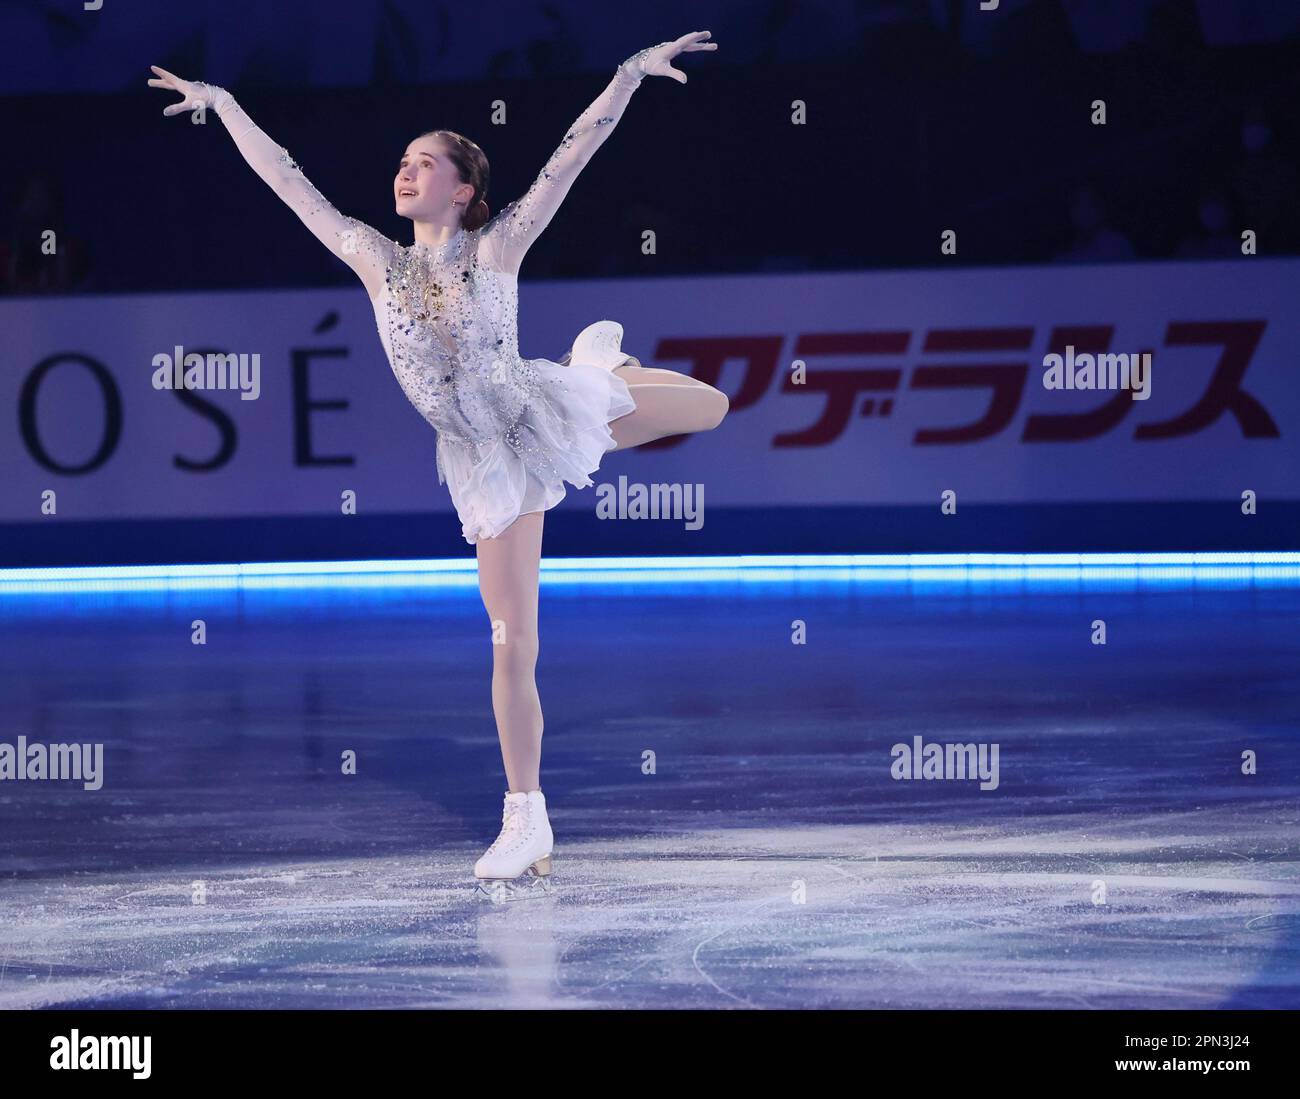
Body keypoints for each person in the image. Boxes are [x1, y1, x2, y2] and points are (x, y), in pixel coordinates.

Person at [148, 31, 727, 900]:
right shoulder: (373, 260)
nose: (406, 172)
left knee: (712, 406)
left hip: (541, 415)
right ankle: (525, 812)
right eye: (403, 162)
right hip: (486, 462)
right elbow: (287, 182)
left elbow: (572, 159)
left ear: (465, 189)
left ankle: (601, 371)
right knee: (511, 639)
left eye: (427, 163)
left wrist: (626, 76)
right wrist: (227, 105)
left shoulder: (498, 251)